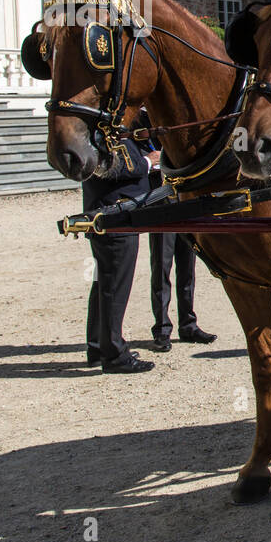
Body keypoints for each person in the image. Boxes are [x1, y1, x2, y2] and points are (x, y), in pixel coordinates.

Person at [138, 112, 216, 351]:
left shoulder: (176, 118)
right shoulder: (137, 122)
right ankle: (162, 327)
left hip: (184, 200)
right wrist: (151, 160)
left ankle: (188, 324)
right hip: (160, 202)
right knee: (161, 265)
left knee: (188, 265)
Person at [83, 138, 156, 373]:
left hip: (111, 215)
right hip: (116, 216)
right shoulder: (99, 135)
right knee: (114, 288)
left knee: (104, 285)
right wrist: (147, 162)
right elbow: (106, 167)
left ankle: (98, 347)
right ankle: (114, 355)